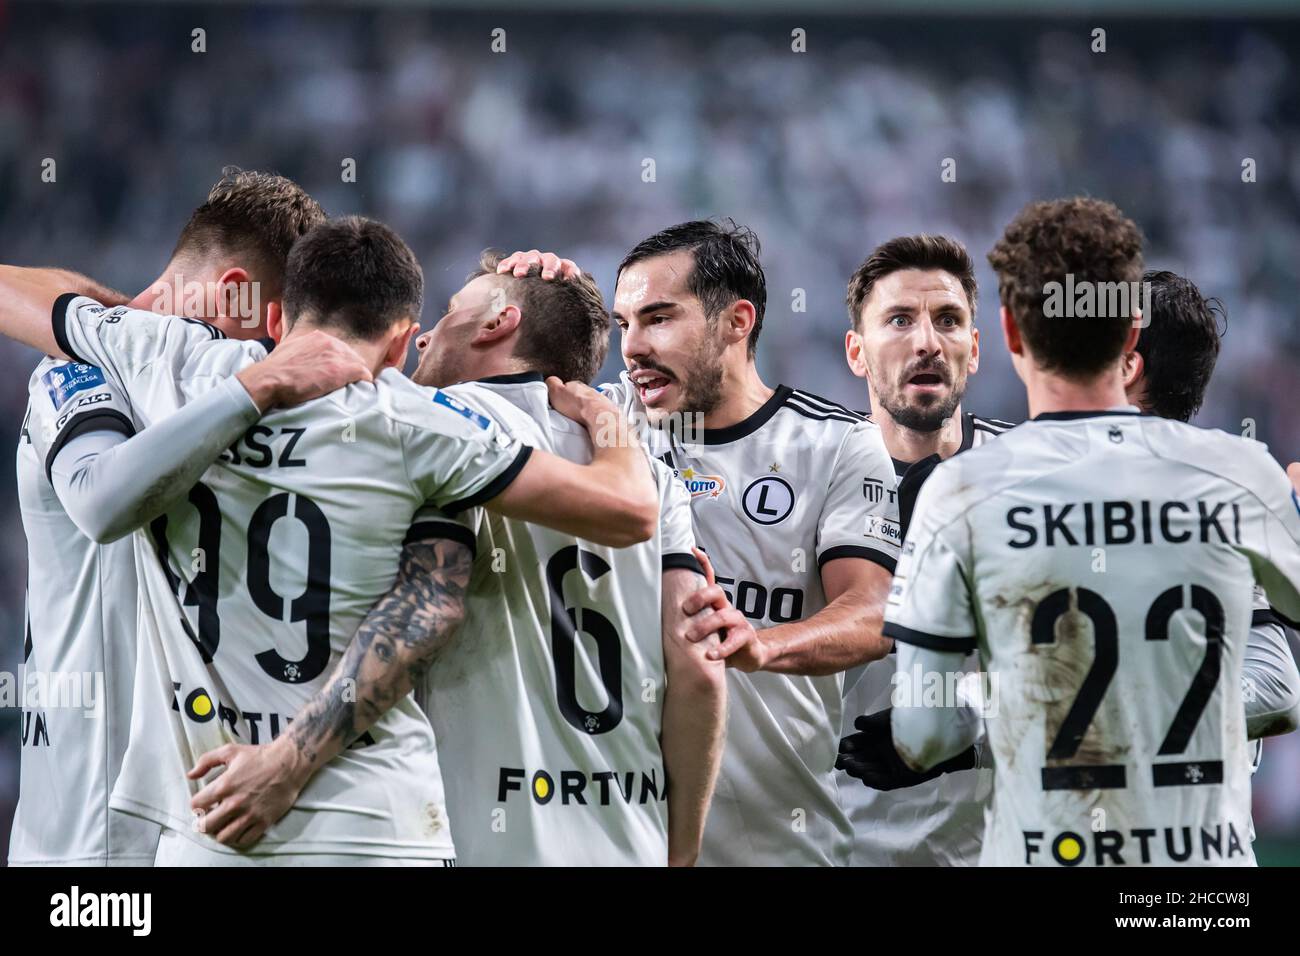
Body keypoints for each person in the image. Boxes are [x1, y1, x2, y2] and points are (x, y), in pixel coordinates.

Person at [0, 215, 661, 864]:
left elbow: (15, 294)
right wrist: (610, 425)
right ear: (400, 343)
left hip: (208, 819)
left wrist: (124, 322)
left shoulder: (162, 361)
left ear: (279, 319)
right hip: (374, 825)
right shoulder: (416, 420)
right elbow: (628, 510)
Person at [885, 197, 1300, 866]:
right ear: (1130, 334)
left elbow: (924, 733)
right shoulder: (1239, 474)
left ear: (1012, 333)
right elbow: (1277, 690)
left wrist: (987, 695)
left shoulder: (962, 492)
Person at [500, 220, 899, 866]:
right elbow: (454, 414)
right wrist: (505, 297)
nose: (632, 347)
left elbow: (874, 612)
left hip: (779, 849)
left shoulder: (835, 446)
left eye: (658, 319)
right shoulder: (600, 427)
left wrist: (762, 644)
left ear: (737, 322)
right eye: (624, 324)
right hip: (615, 846)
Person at [9, 169, 368, 866]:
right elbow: (102, 499)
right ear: (235, 293)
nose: (275, 349)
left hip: (205, 832)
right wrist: (249, 382)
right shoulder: (86, 374)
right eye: (276, 324)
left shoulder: (240, 403)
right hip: (96, 846)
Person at [835, 234, 1011, 866]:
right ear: (857, 352)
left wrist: (963, 737)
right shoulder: (805, 479)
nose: (927, 342)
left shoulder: (1037, 483)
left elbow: (1089, 675)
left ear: (975, 348)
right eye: (899, 320)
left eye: (949, 321)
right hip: (834, 849)